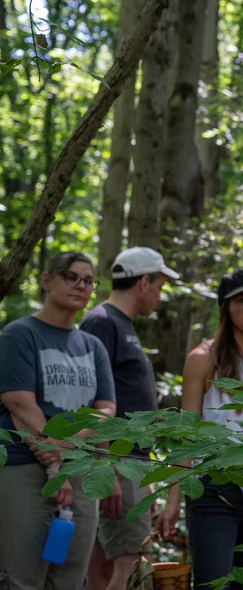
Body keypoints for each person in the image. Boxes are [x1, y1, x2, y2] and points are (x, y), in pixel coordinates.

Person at [155, 269, 243, 590]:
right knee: (213, 584)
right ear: (226, 309)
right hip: (214, 492)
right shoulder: (204, 359)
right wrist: (174, 499)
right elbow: (187, 435)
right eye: (242, 301)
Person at [0, 252, 117, 590]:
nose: (81, 285)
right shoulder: (19, 334)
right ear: (46, 280)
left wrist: (68, 452)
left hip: (79, 472)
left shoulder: (92, 346)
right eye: (71, 276)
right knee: (23, 578)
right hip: (26, 469)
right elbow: (19, 404)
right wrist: (54, 465)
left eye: (89, 280)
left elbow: (106, 409)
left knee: (69, 578)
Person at [81, 247, 178, 590]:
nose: (159, 295)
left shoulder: (121, 325)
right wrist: (105, 465)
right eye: (159, 286)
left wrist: (143, 465)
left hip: (128, 461)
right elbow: (92, 399)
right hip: (115, 461)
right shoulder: (102, 322)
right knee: (133, 564)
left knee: (103, 568)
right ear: (144, 282)